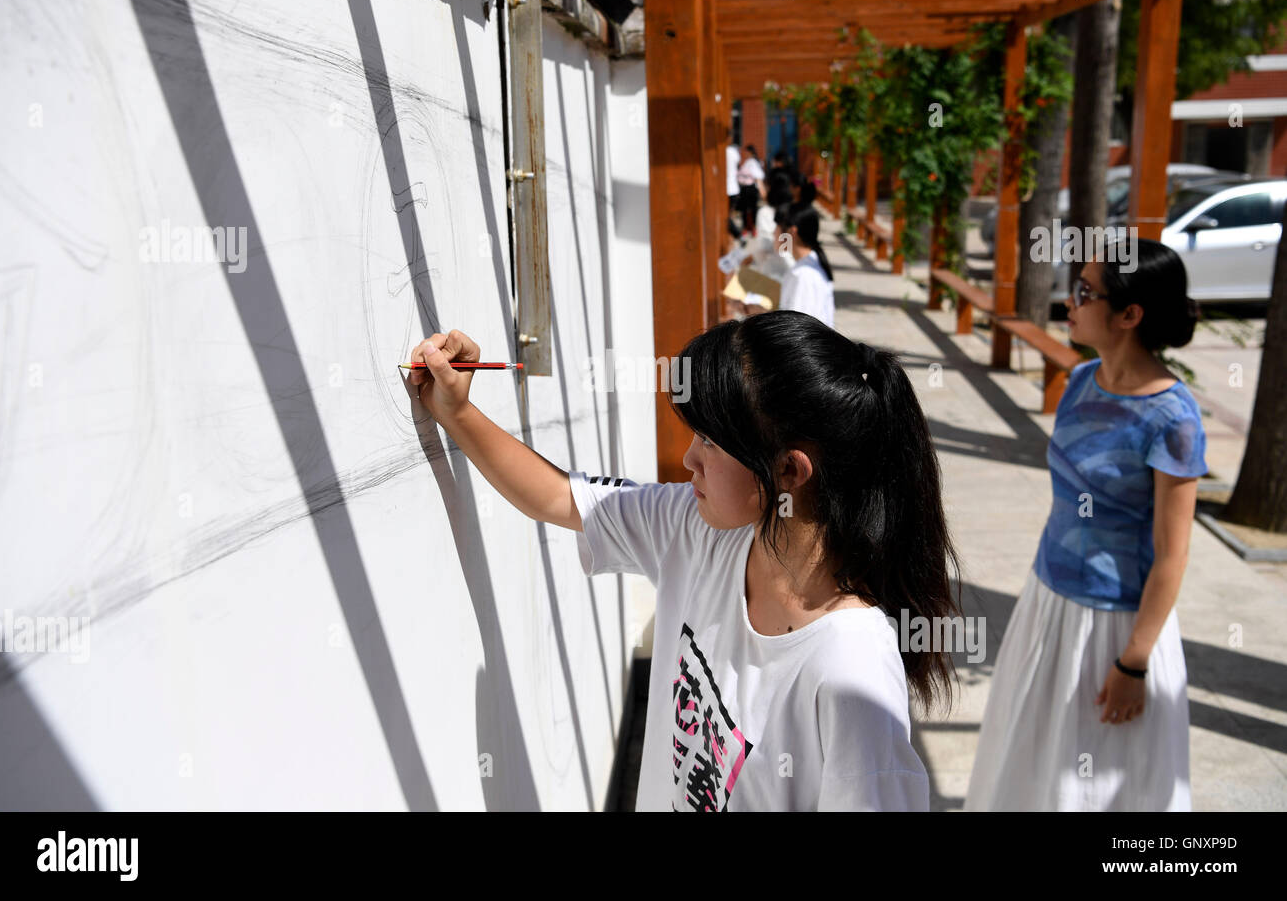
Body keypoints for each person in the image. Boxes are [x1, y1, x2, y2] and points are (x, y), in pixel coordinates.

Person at [406, 310, 963, 810]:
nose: (688, 457)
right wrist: (455, 412)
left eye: (711, 443)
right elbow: (560, 499)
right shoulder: (702, 532)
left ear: (790, 472)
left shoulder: (851, 667)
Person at [964, 240, 1207, 811]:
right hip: (1047, 604)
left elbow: (1173, 556)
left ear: (1130, 315)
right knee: (1029, 764)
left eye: (1083, 292)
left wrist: (1133, 661)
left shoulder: (1174, 418)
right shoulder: (1078, 381)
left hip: (1115, 630)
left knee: (1094, 785)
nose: (1067, 301)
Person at [778, 204, 835, 328]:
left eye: (778, 229)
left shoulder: (804, 275)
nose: (774, 234)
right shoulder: (808, 266)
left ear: (792, 232)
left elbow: (797, 329)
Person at [736, 144, 766, 235]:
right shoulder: (748, 162)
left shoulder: (752, 162)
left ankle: (752, 227)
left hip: (750, 188)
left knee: (751, 209)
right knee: (746, 209)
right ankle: (748, 227)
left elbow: (758, 177)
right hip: (745, 188)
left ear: (750, 152)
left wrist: (762, 189)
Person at [725, 140, 741, 220]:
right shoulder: (733, 151)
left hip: (726, 186)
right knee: (730, 211)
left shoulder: (726, 150)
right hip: (733, 186)